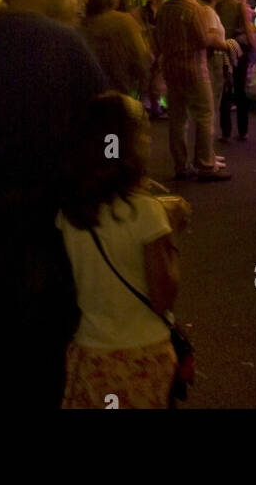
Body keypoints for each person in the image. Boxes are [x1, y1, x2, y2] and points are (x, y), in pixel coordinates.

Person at [0, 5, 107, 408]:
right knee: (55, 297)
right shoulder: (70, 45)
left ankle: (10, 377)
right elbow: (102, 112)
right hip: (55, 194)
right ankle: (51, 378)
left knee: (5, 291)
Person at [57, 93, 191, 409]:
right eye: (142, 132)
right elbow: (162, 298)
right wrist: (171, 231)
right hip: (142, 356)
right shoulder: (147, 213)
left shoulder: (70, 212)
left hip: (91, 353)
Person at [153, 0, 231, 182]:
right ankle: (206, 165)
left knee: (177, 120)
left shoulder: (165, 9)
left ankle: (181, 165)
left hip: (171, 69)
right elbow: (203, 40)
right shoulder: (193, 9)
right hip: (194, 69)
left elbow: (157, 40)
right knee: (205, 115)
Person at [83, 0, 151, 101]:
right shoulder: (124, 21)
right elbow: (140, 53)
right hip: (120, 82)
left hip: (92, 84)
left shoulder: (85, 23)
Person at [216, 0, 256, 141]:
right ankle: (243, 130)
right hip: (239, 51)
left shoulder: (217, 8)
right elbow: (249, 32)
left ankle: (225, 132)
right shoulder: (240, 7)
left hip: (223, 50)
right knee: (240, 91)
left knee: (225, 91)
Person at [196, 0, 230, 141]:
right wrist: (227, 45)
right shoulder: (209, 12)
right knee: (212, 105)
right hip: (214, 60)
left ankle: (208, 152)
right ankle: (208, 152)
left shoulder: (208, 11)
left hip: (213, 60)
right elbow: (210, 38)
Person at [139, 0, 166, 118]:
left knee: (158, 73)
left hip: (159, 42)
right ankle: (153, 104)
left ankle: (157, 103)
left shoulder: (163, 9)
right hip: (149, 43)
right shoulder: (144, 11)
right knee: (150, 74)